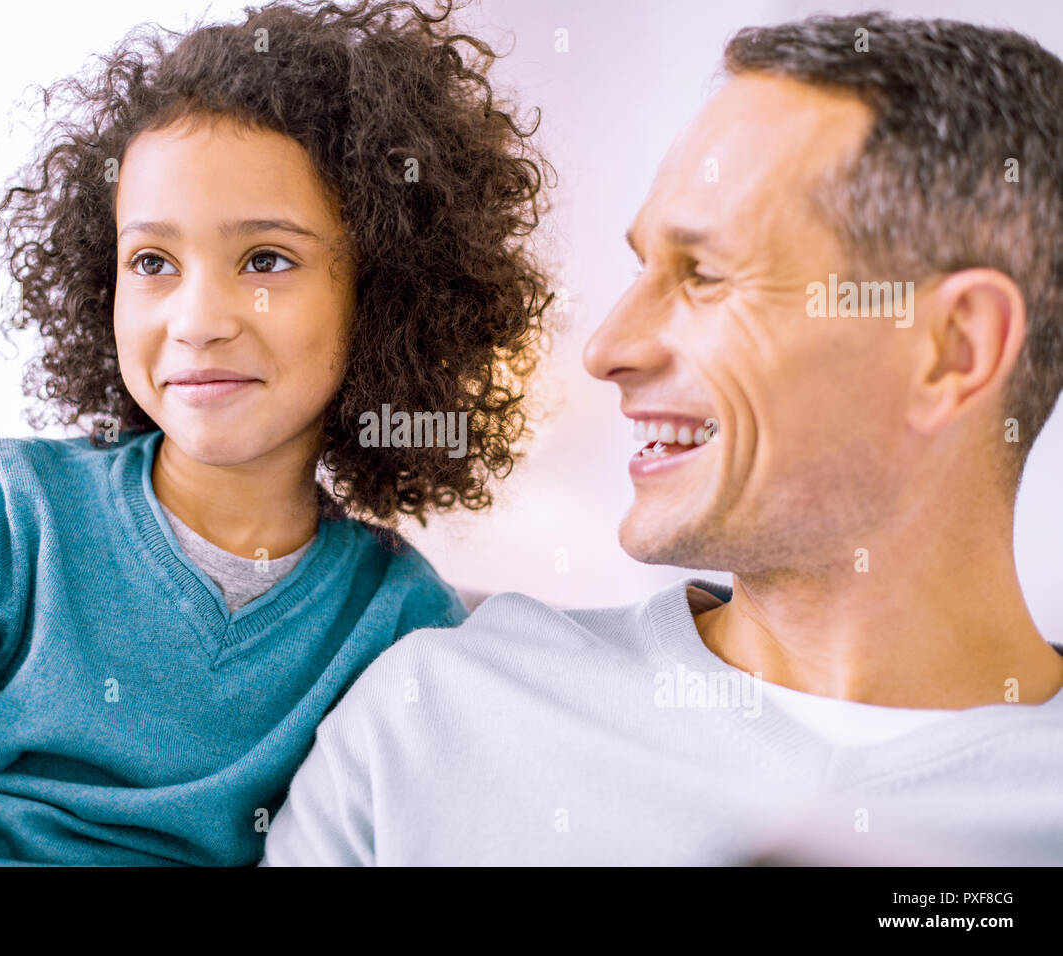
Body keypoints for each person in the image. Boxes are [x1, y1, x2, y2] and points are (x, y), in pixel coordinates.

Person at [0, 0, 553, 866]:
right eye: (152, 263)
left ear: (382, 295)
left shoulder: (402, 621)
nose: (198, 320)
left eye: (265, 260)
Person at [262, 12, 1063, 865]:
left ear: (953, 349)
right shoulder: (432, 713)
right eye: (643, 266)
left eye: (705, 275)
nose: (607, 350)